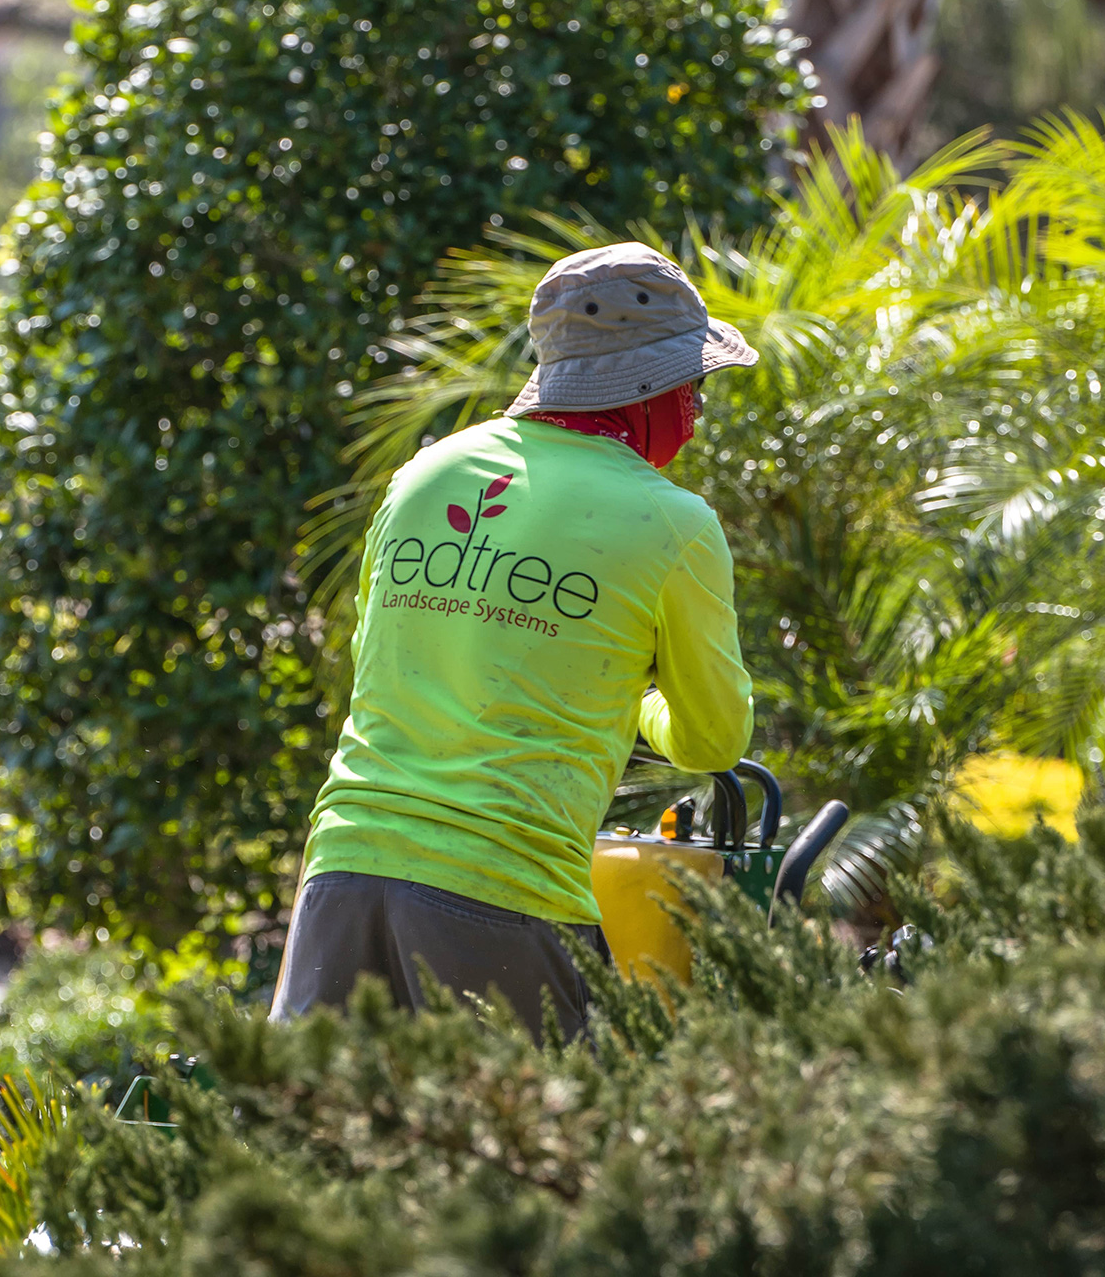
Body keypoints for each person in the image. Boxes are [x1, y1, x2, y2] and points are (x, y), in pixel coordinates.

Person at [270, 243, 757, 1041]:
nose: (699, 411)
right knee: (524, 1161)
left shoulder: (424, 474)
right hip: (501, 895)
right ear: (646, 388)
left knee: (312, 1149)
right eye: (695, 387)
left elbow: (381, 664)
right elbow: (713, 739)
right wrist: (635, 706)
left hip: (343, 875)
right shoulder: (674, 523)